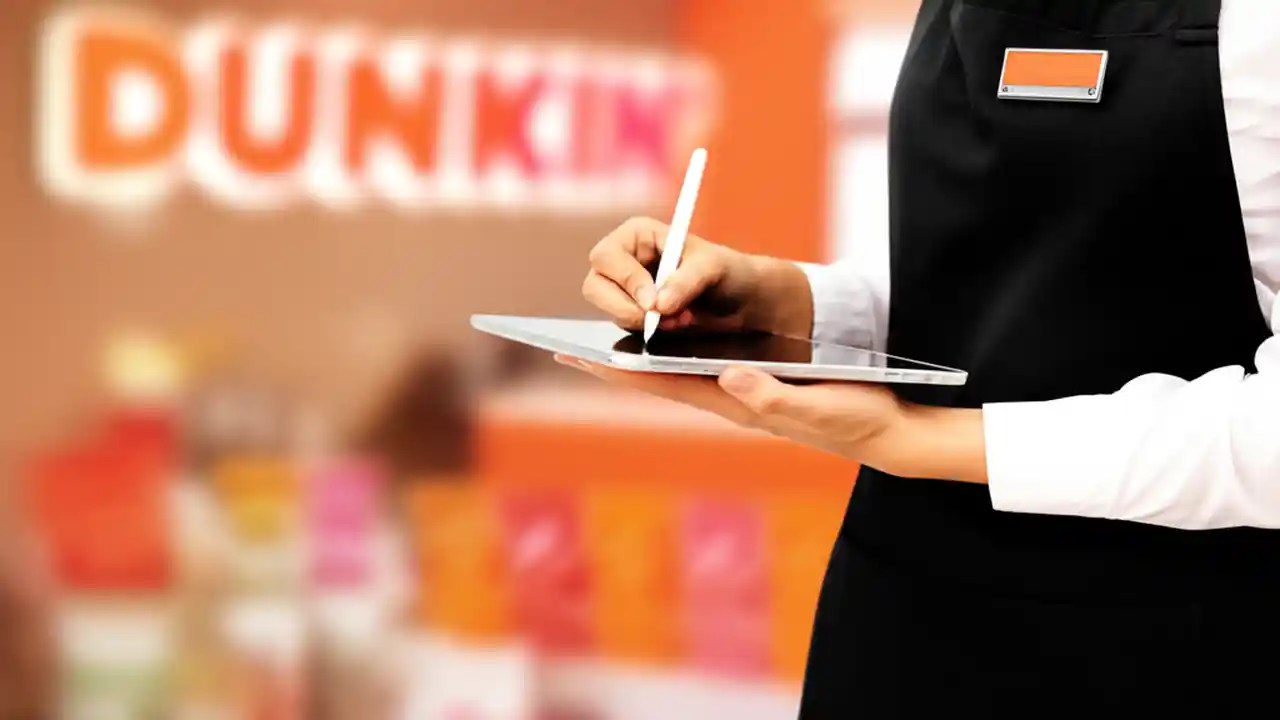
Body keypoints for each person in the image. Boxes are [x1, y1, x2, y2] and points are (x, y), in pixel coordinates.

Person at [568, 0, 1280, 715]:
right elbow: (986, 273)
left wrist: (924, 440)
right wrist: (774, 298)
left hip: (1173, 638)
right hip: (900, 613)